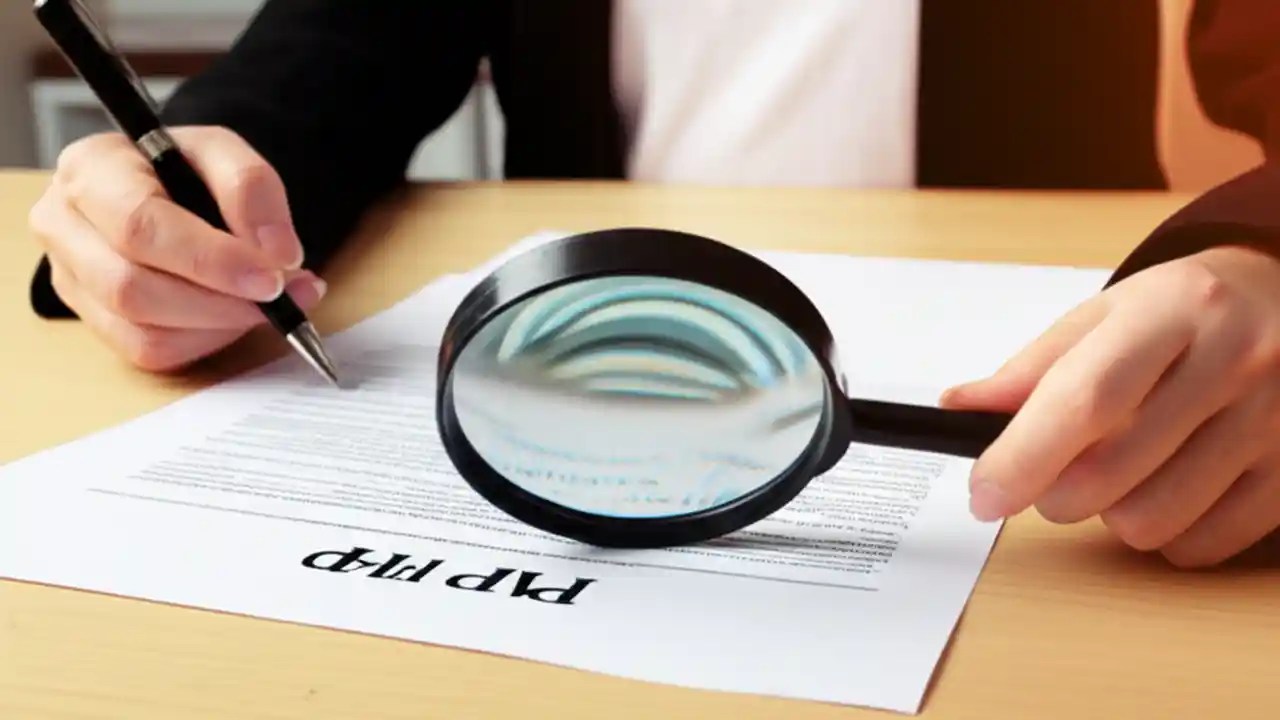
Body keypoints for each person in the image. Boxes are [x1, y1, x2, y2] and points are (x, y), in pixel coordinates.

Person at [25, 1, 1280, 567]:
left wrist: (1263, 243)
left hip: (1090, 355)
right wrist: (196, 186)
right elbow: (342, 43)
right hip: (595, 340)